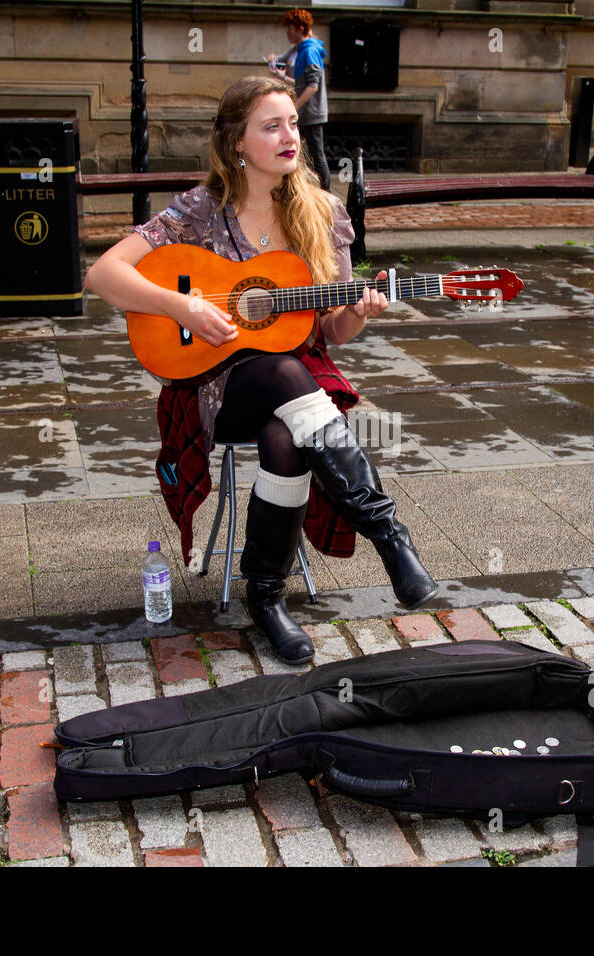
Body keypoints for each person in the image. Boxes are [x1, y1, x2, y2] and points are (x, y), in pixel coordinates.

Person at [83, 75, 437, 666]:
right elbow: (102, 275)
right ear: (237, 142)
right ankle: (389, 534)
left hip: (293, 388)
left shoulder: (322, 214)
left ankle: (267, 599)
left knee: (285, 430)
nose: (289, 136)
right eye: (271, 126)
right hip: (214, 386)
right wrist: (183, 305)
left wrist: (361, 312)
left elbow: (326, 333)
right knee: (280, 376)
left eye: (293, 124)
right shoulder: (199, 212)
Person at [265, 9, 330, 191]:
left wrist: (294, 107)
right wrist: (281, 76)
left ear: (300, 29)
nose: (287, 32)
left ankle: (327, 194)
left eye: (290, 29)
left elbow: (312, 86)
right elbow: (301, 84)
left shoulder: (309, 52)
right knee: (299, 153)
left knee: (316, 155)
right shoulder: (299, 50)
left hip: (312, 113)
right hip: (303, 113)